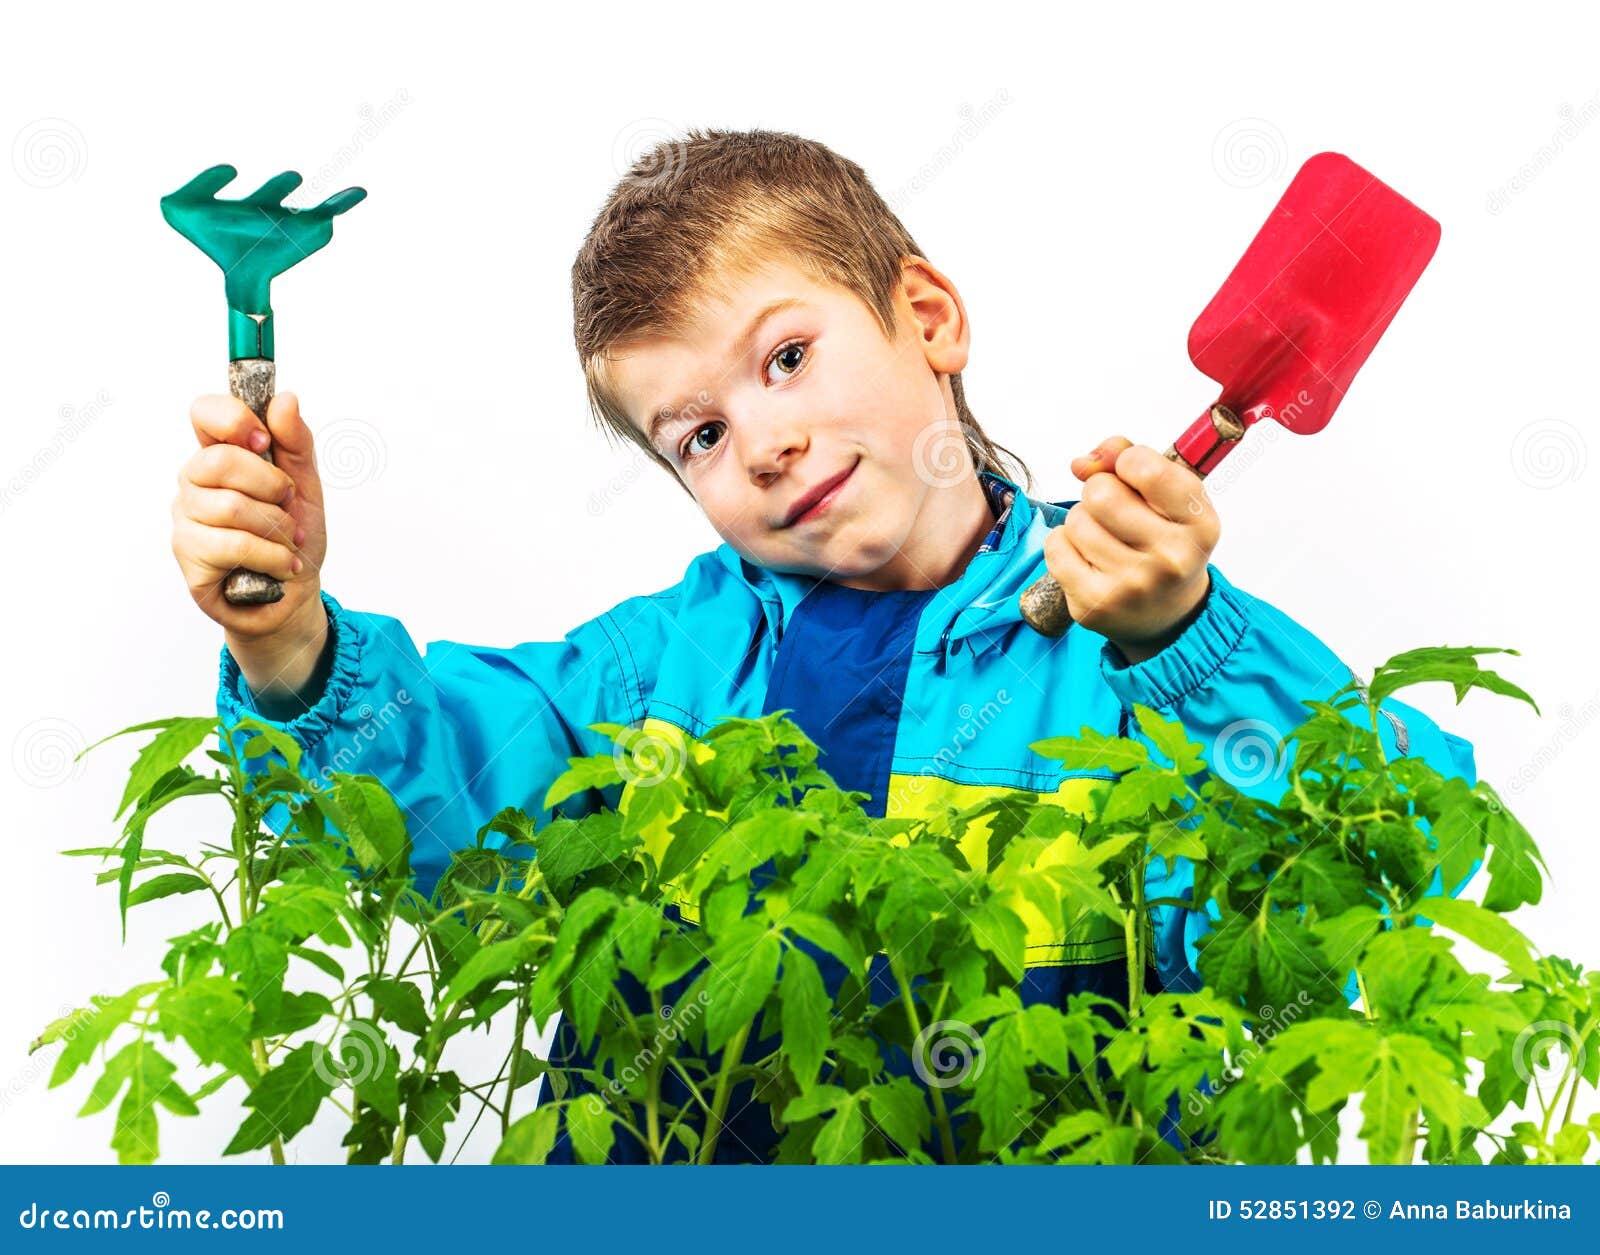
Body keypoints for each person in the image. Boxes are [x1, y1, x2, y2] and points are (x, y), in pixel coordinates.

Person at [171, 128, 1479, 1162]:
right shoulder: (660, 678)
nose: (764, 442)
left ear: (929, 315)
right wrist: (291, 645)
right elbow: (444, 801)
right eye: (697, 434)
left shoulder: (1134, 639)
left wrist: (1187, 642)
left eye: (786, 356)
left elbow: (1393, 861)